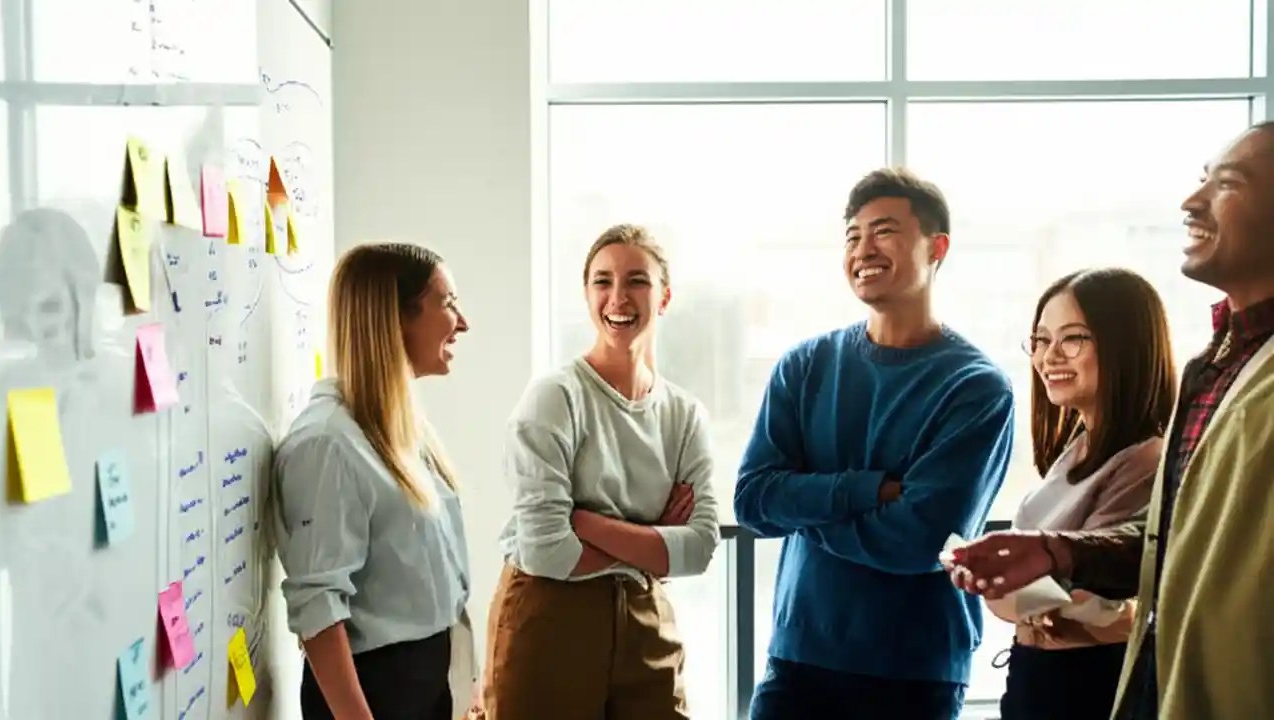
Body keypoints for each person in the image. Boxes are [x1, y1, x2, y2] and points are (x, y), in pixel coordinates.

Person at [946, 122, 1274, 720]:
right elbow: (1169, 542)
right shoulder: (1218, 363)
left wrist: (1059, 585)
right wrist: (1053, 553)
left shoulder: (1160, 437)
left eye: (1225, 183)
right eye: (1042, 340)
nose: (1189, 203)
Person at [734, 168, 1016, 719]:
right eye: (853, 235)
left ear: (938, 247)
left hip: (914, 671)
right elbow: (754, 502)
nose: (864, 248)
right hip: (798, 659)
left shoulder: (977, 386)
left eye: (884, 231)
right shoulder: (805, 366)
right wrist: (870, 489)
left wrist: (804, 502)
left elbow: (922, 536)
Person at [483, 223, 720, 720]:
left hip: (645, 617)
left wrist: (583, 521)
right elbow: (546, 551)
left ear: (665, 297)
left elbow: (698, 547)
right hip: (550, 617)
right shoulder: (555, 398)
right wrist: (653, 541)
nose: (619, 297)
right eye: (602, 281)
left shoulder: (684, 415)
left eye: (637, 280)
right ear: (586, 293)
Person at [270, 242, 476, 720]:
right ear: (395, 318)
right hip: (376, 696)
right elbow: (319, 610)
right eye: (447, 303)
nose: (462, 322)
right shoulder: (328, 444)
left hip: (427, 683)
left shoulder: (403, 428)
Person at [992, 268, 1176, 719]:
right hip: (1038, 675)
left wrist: (1010, 590)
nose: (1048, 356)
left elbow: (1104, 609)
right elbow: (1053, 603)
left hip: (1088, 685)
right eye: (1041, 339)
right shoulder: (1078, 446)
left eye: (1072, 338)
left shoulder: (1145, 460)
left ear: (1125, 348)